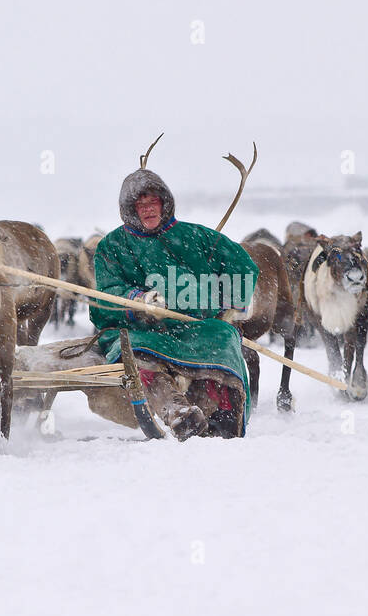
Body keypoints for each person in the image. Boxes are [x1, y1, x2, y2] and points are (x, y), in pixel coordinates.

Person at [90, 163, 259, 440]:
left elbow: (242, 264)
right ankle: (178, 413)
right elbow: (105, 297)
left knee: (223, 338)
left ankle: (220, 417)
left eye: (152, 201)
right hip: (142, 331)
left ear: (164, 202)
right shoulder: (111, 247)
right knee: (138, 354)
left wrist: (232, 303)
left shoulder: (197, 236)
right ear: (129, 210)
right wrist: (139, 302)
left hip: (196, 326)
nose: (147, 209)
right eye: (139, 204)